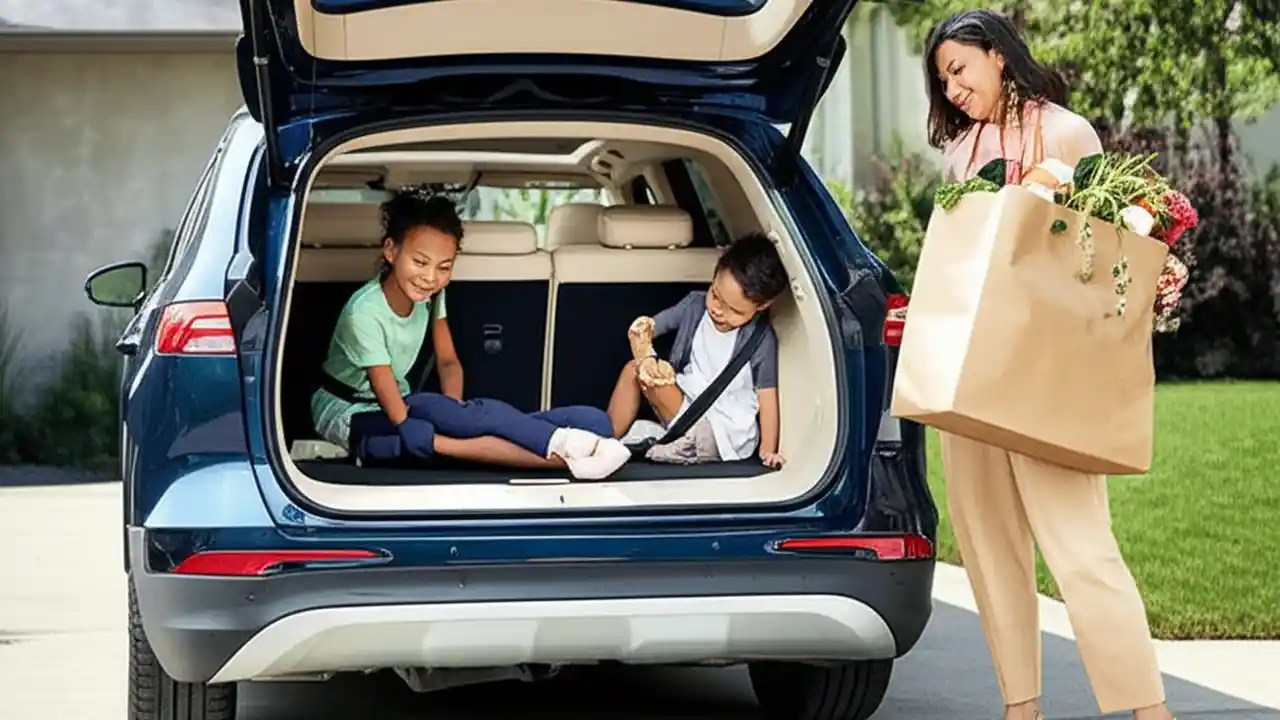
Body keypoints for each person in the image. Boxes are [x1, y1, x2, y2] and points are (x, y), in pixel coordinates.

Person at [923, 10, 1175, 720]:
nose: (952, 88)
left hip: (1044, 375)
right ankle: (1020, 707)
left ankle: (1148, 708)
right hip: (969, 377)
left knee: (1082, 547)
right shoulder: (961, 153)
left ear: (998, 56)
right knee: (987, 544)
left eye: (959, 69)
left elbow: (1102, 256)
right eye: (942, 79)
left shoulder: (1066, 132)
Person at [310, 188, 630, 480]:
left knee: (471, 423)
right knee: (431, 444)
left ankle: (574, 441)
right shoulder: (364, 312)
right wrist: (442, 425)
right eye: (420, 262)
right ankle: (569, 454)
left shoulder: (432, 295)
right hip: (348, 410)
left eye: (444, 266)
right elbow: (383, 388)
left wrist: (457, 414)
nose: (430, 277)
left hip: (403, 400)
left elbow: (448, 362)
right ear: (391, 251)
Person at [606, 232, 786, 468]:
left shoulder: (760, 340)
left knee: (679, 419)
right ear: (713, 278)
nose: (718, 311)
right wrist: (644, 342)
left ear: (762, 306)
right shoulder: (694, 305)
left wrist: (767, 452)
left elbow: (767, 398)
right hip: (685, 400)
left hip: (720, 429)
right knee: (634, 369)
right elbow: (652, 325)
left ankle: (668, 445)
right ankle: (605, 438)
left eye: (735, 310)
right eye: (716, 295)